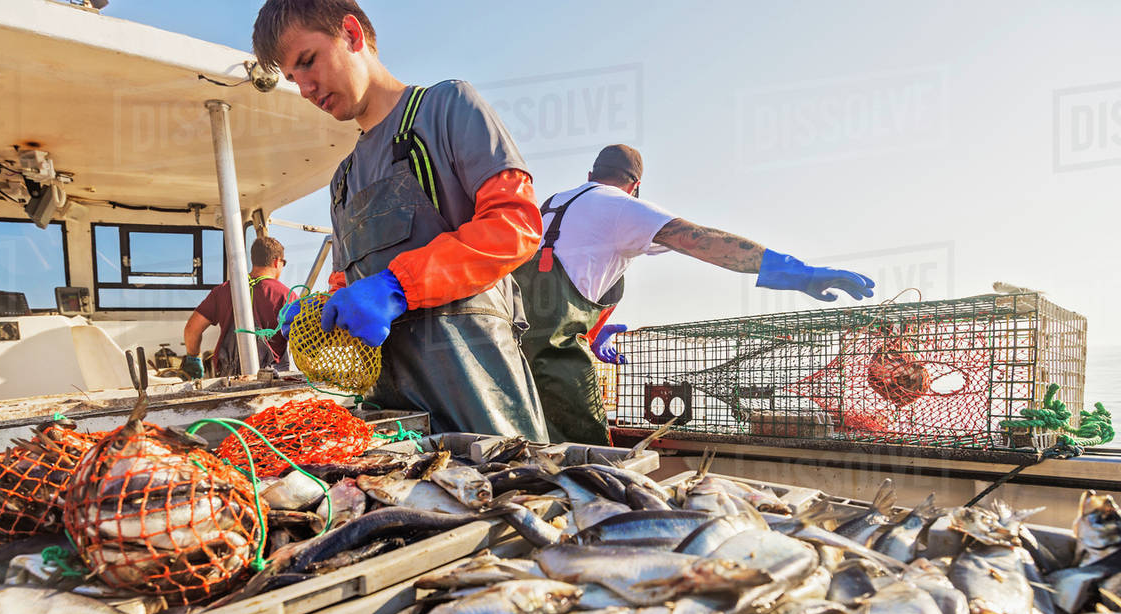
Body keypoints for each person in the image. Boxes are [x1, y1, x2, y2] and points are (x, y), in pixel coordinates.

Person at [254, 0, 548, 439]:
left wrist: (397, 286)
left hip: (484, 403)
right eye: (294, 78)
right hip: (393, 419)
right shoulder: (343, 180)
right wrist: (322, 313)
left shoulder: (446, 108)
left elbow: (515, 224)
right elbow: (347, 285)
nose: (305, 89)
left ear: (352, 34)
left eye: (308, 61)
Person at [515, 144, 876, 445]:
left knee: (525, 444)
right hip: (556, 360)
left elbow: (566, 273)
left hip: (509, 353)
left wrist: (591, 334)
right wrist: (797, 272)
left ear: (590, 175)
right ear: (635, 186)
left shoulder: (549, 206)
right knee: (588, 458)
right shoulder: (618, 205)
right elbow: (700, 241)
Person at [183, 235, 293, 378]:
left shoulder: (223, 290)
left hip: (229, 379)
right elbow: (303, 341)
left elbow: (192, 329)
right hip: (272, 380)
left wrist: (193, 360)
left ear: (253, 260)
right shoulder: (287, 295)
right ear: (277, 261)